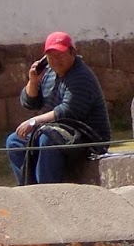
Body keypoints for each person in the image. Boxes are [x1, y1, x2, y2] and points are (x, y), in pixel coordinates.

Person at [6, 31, 110, 186]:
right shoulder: (48, 73)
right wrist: (33, 82)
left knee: (48, 139)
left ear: (72, 53)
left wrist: (34, 122)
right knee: (14, 141)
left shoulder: (81, 76)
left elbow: (68, 111)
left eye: (60, 55)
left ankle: (47, 189)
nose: (55, 60)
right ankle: (28, 189)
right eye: (51, 56)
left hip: (87, 138)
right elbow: (29, 103)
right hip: (56, 130)